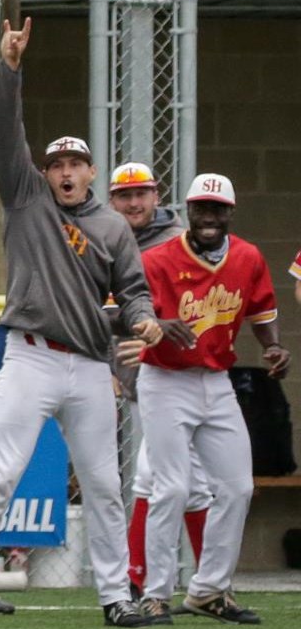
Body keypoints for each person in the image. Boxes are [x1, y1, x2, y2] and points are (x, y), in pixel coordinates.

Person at [0, 19, 163, 629]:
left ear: (92, 173)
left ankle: (116, 597)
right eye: (57, 163)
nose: (65, 171)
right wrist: (10, 69)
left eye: (76, 163)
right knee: (0, 475)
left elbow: (133, 292)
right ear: (44, 172)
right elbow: (4, 134)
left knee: (104, 484)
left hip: (90, 366)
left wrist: (143, 320)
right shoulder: (27, 199)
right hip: (32, 356)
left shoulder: (113, 227)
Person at [132, 173, 285, 624]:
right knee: (172, 487)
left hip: (217, 380)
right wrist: (154, 323)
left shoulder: (247, 256)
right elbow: (120, 309)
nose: (209, 217)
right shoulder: (158, 258)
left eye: (217, 209)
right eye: (201, 208)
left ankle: (209, 590)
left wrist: (274, 346)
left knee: (237, 486)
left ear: (230, 213)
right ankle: (156, 593)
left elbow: (262, 311)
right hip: (164, 379)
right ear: (189, 210)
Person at [108, 161, 209, 605]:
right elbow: (97, 309)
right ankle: (205, 581)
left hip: (180, 375)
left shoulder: (177, 241)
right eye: (124, 195)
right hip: (136, 376)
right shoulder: (103, 238)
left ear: (156, 196)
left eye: (141, 194)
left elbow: (199, 313)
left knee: (164, 477)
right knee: (171, 478)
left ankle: (143, 576)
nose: (134, 203)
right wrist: (108, 364)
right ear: (112, 200)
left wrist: (152, 341)